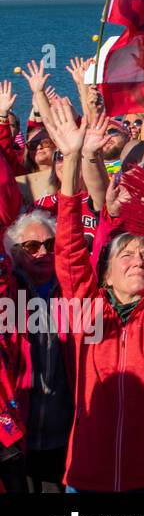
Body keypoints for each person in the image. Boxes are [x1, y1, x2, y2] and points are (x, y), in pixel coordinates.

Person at [44, 96, 144, 492]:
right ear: (105, 274)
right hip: (85, 478)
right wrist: (72, 163)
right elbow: (70, 250)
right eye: (126, 254)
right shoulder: (87, 313)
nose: (139, 260)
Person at [0, 208, 72, 492]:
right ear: (14, 252)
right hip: (18, 439)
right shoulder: (8, 294)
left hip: (65, 438)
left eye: (51, 244)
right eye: (32, 246)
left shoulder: (71, 292)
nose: (43, 251)